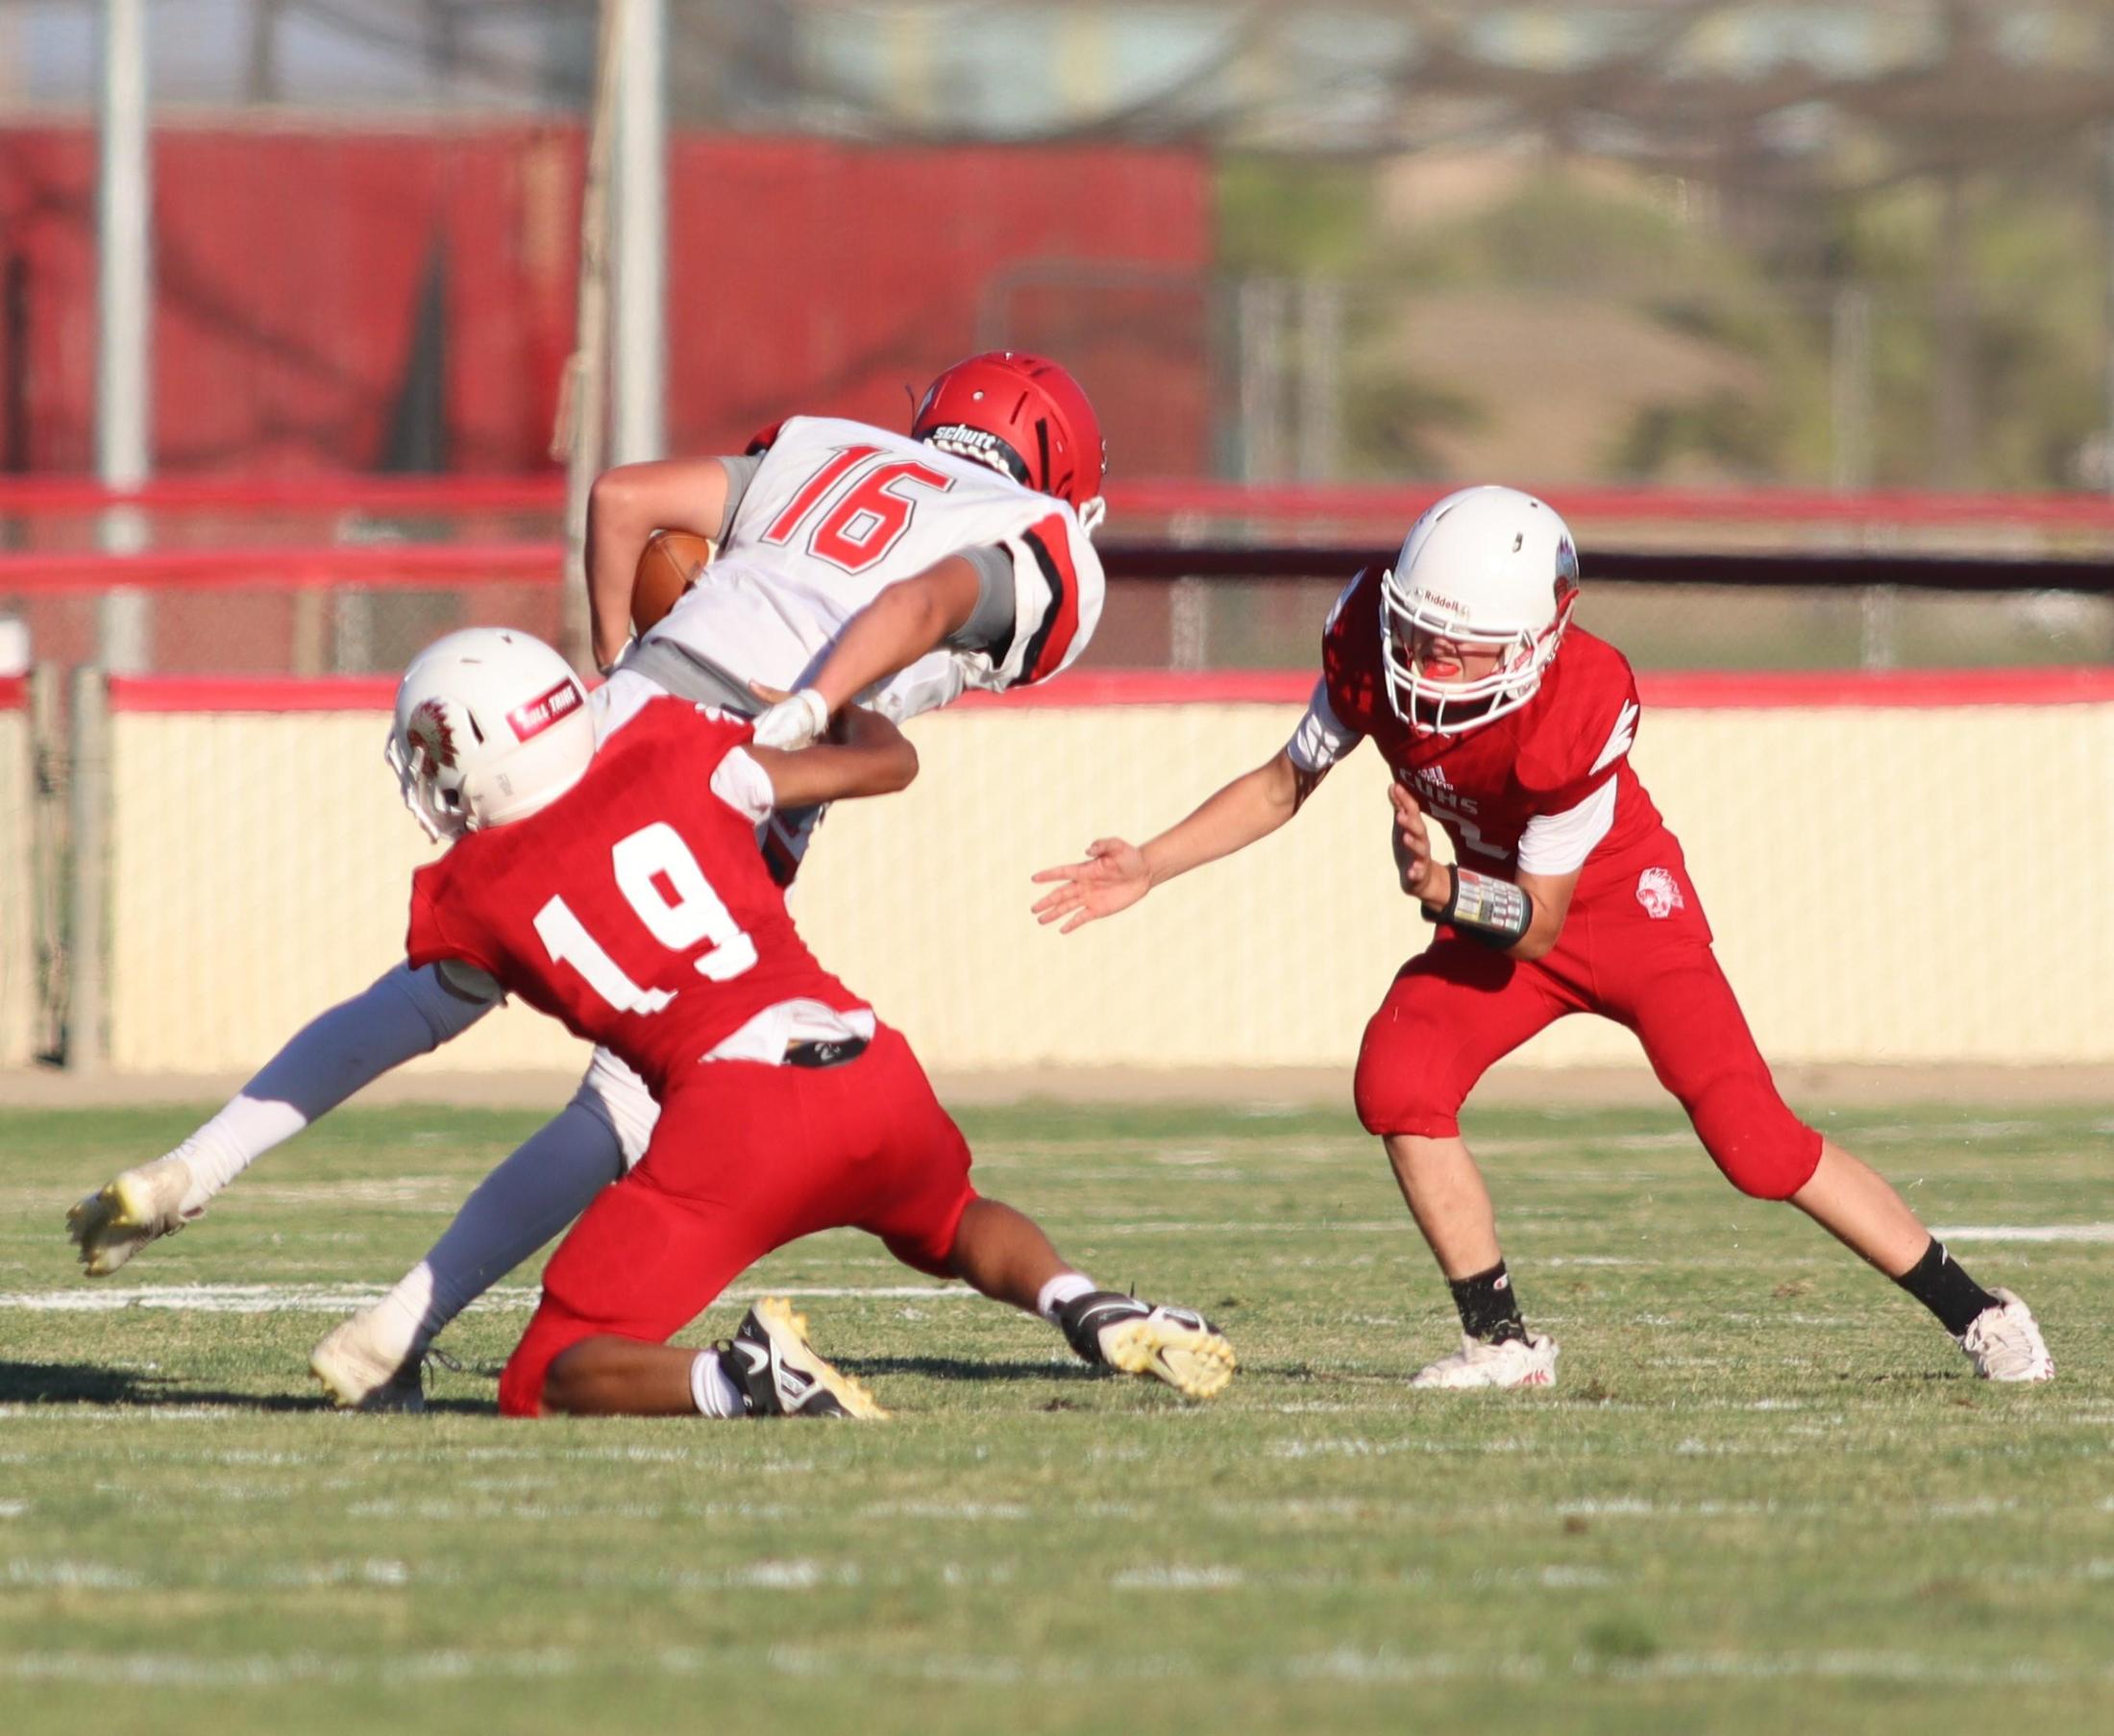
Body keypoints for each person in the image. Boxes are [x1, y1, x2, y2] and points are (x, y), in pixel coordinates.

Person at [66, 354, 1113, 1409]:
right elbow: (927, 610)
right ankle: (393, 1330)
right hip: (746, 766)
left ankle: (198, 1168)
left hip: (634, 713)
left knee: (444, 980)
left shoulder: (829, 446)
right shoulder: (1039, 531)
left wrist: (619, 666)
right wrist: (810, 702)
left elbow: (621, 499)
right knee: (631, 1093)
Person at [1029, 484, 2054, 1389]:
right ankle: (1503, 1345)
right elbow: (1280, 780)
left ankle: (1979, 1310)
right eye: (1414, 633)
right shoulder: (1367, 642)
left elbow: (1543, 921)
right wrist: (1151, 863)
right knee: (1398, 1078)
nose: (1423, 663)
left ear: (1532, 641)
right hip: (1491, 898)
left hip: (1610, 907)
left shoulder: (1579, 698)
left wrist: (1439, 890)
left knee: (1755, 1144)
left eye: (1452, 646)